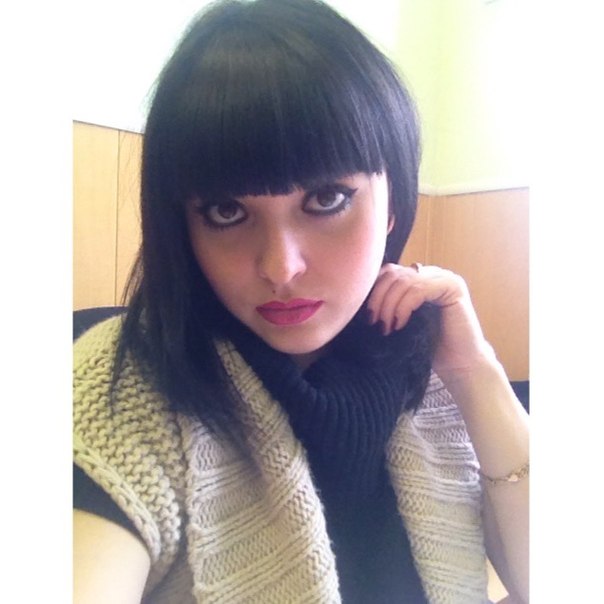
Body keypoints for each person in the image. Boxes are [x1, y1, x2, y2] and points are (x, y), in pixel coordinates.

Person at [73, 0, 529, 602]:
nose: (280, 267)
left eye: (327, 199)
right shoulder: (125, 387)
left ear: (393, 205)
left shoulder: (426, 373)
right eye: (226, 211)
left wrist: (476, 371)